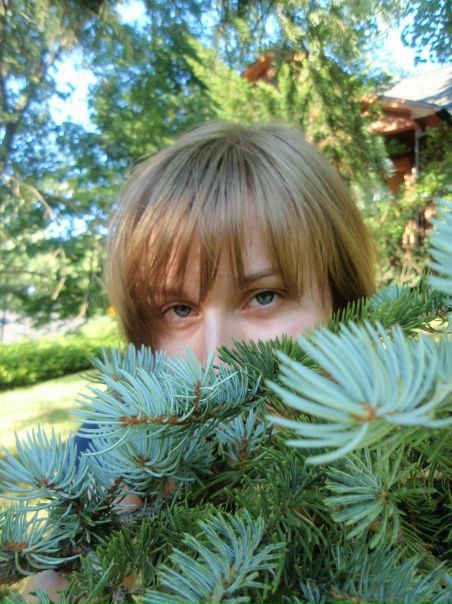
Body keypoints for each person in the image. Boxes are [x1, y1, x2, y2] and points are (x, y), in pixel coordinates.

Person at [22, 120, 375, 601]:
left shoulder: (403, 458)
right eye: (181, 309)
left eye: (264, 296)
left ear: (342, 301)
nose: (215, 358)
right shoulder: (99, 455)